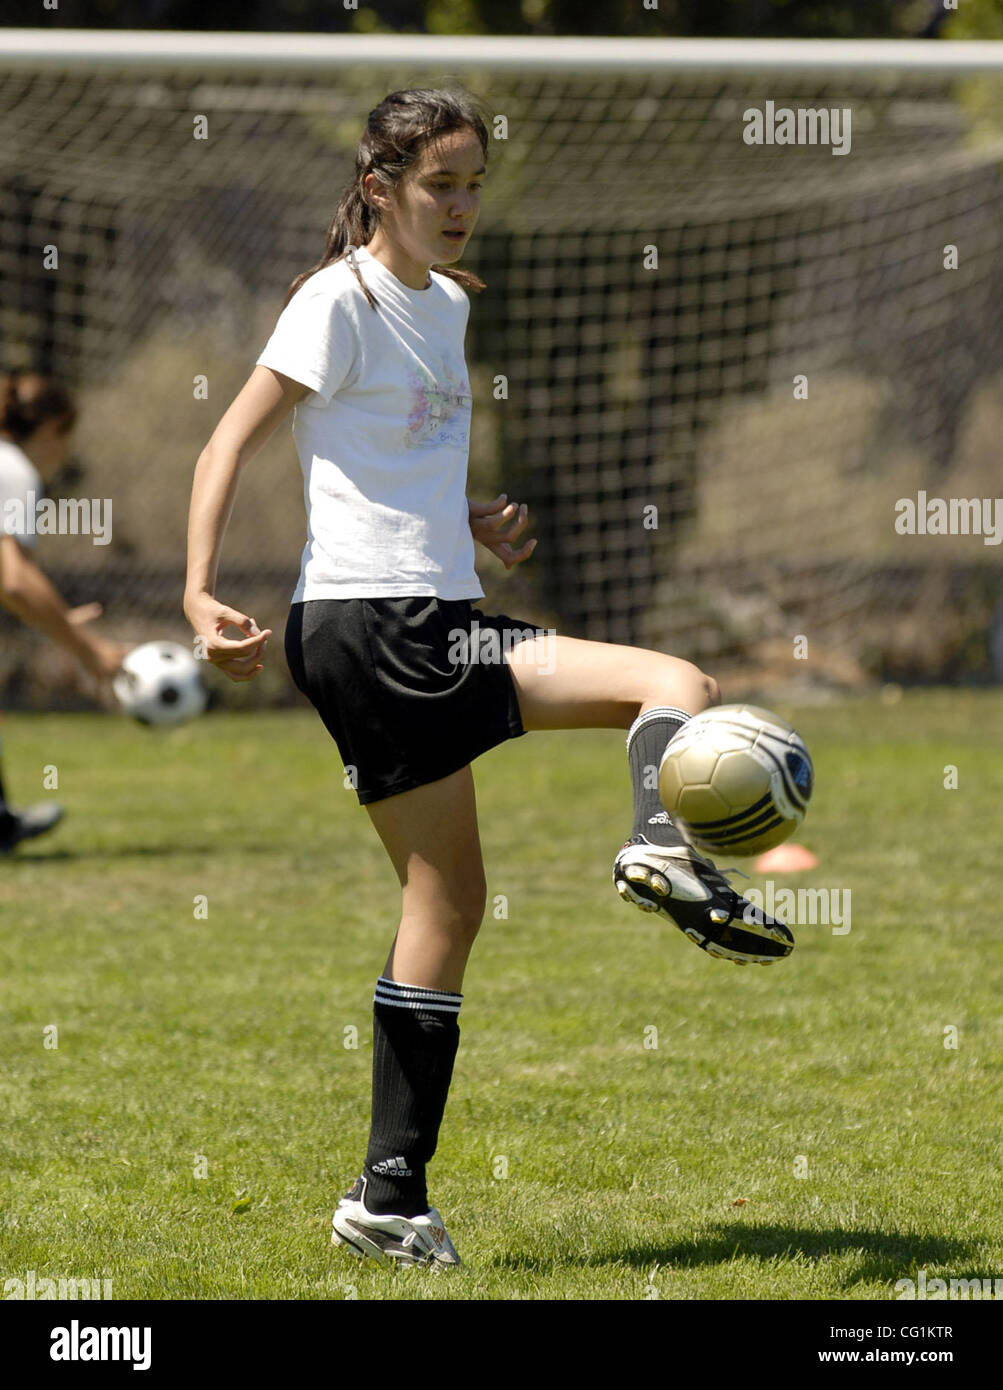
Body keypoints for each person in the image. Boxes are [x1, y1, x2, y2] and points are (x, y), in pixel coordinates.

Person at [184, 88, 793, 1270]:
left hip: (411, 621)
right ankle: (660, 843)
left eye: (473, 186)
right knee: (672, 678)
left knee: (448, 903)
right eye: (438, 186)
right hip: (388, 627)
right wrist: (196, 589)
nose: (461, 207)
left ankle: (388, 1197)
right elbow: (229, 438)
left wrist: (468, 526)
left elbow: (383, 470)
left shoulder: (446, 308)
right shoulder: (335, 299)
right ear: (380, 189)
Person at [0, 371, 126, 855]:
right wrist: (89, 649)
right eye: (65, 438)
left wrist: (57, 622)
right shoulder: (13, 470)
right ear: (52, 429)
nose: (65, 454)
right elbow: (15, 579)